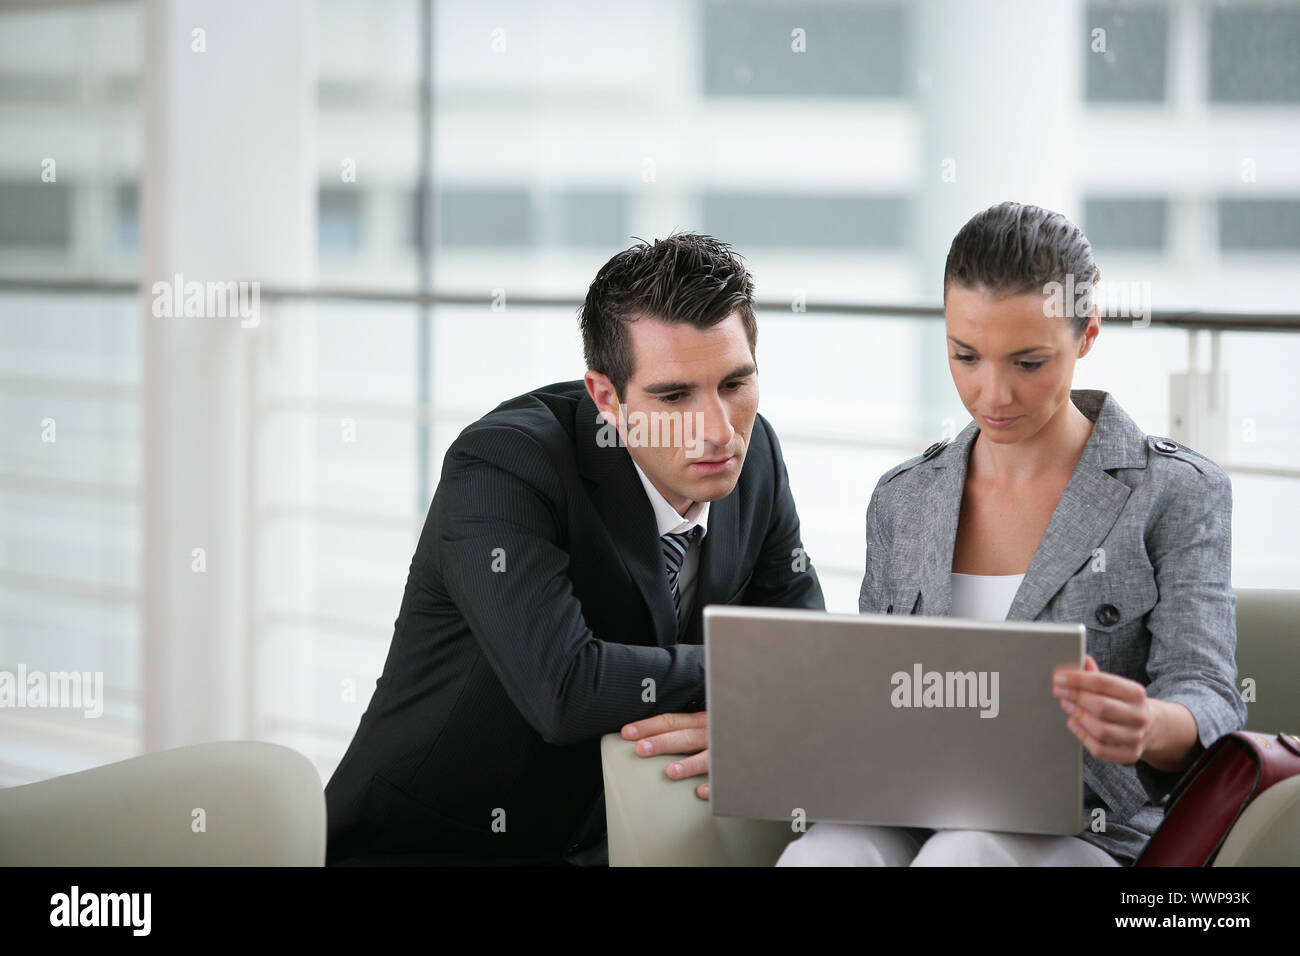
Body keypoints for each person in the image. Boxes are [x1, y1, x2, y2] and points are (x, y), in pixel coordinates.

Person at [325, 232, 824, 865]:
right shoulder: (503, 467)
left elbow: (809, 656)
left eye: (735, 383)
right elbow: (565, 690)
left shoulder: (755, 461)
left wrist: (764, 708)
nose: (719, 430)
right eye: (675, 397)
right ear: (606, 397)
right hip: (424, 848)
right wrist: (746, 681)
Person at [777, 201, 1247, 866]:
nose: (992, 394)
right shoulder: (903, 499)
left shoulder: (1174, 493)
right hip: (914, 810)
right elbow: (874, 692)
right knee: (821, 856)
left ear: (1087, 334)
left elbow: (1209, 693)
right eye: (965, 355)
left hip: (1089, 830)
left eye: (1028, 363)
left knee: (962, 856)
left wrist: (1147, 725)